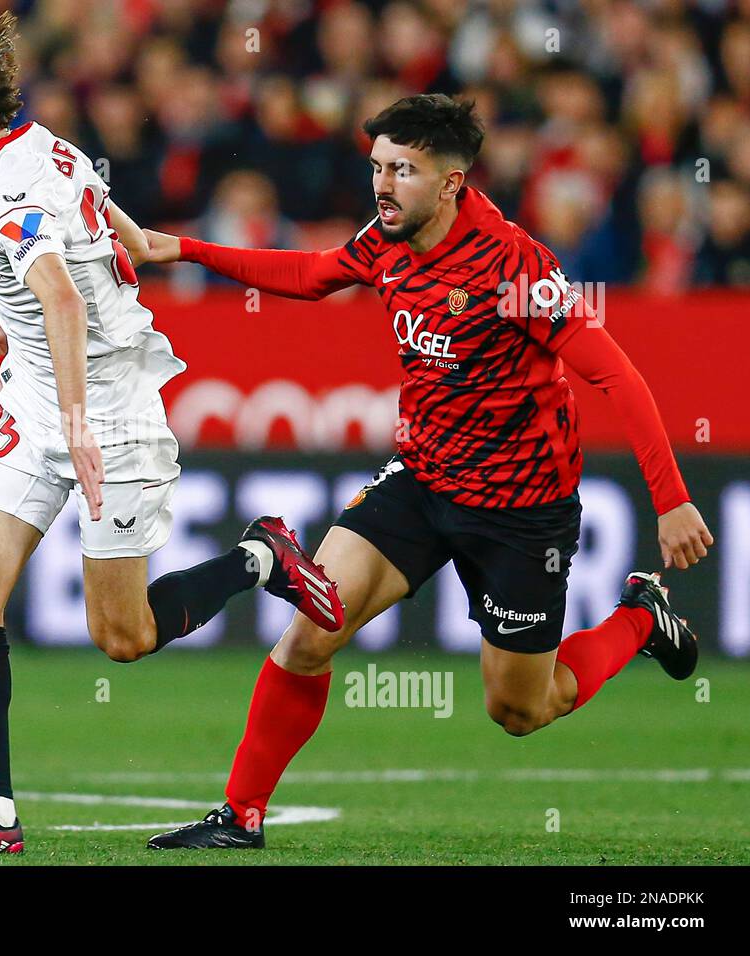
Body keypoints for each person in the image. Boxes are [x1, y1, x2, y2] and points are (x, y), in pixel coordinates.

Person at [141, 94, 714, 849]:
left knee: (520, 710)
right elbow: (313, 273)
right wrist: (180, 249)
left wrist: (671, 500)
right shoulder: (387, 238)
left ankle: (640, 617)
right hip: (424, 479)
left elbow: (617, 378)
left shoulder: (514, 267)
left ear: (450, 183)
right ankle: (240, 815)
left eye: (403, 170)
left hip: (522, 510)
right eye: (377, 166)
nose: (383, 184)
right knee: (313, 629)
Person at [0, 12, 343, 855]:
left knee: (124, 636)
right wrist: (11, 322)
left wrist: (75, 416)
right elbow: (118, 238)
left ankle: (262, 557)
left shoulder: (7, 195)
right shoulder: (43, 147)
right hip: (35, 396)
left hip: (109, 415)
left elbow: (62, 296)